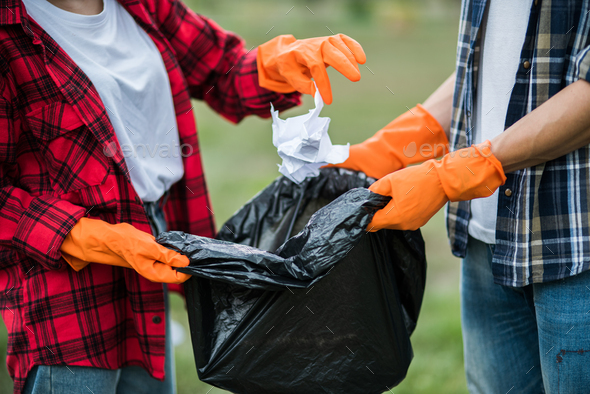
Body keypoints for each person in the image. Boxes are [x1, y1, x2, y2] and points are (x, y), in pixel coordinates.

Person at [0, 0, 366, 392]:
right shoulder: (11, 34)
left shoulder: (145, 6)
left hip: (152, 239)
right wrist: (83, 235)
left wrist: (276, 64)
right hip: (66, 284)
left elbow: (222, 70)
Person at [337, 0, 590, 393]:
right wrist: (396, 144)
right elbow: (488, 63)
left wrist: (457, 173)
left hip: (575, 244)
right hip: (484, 241)